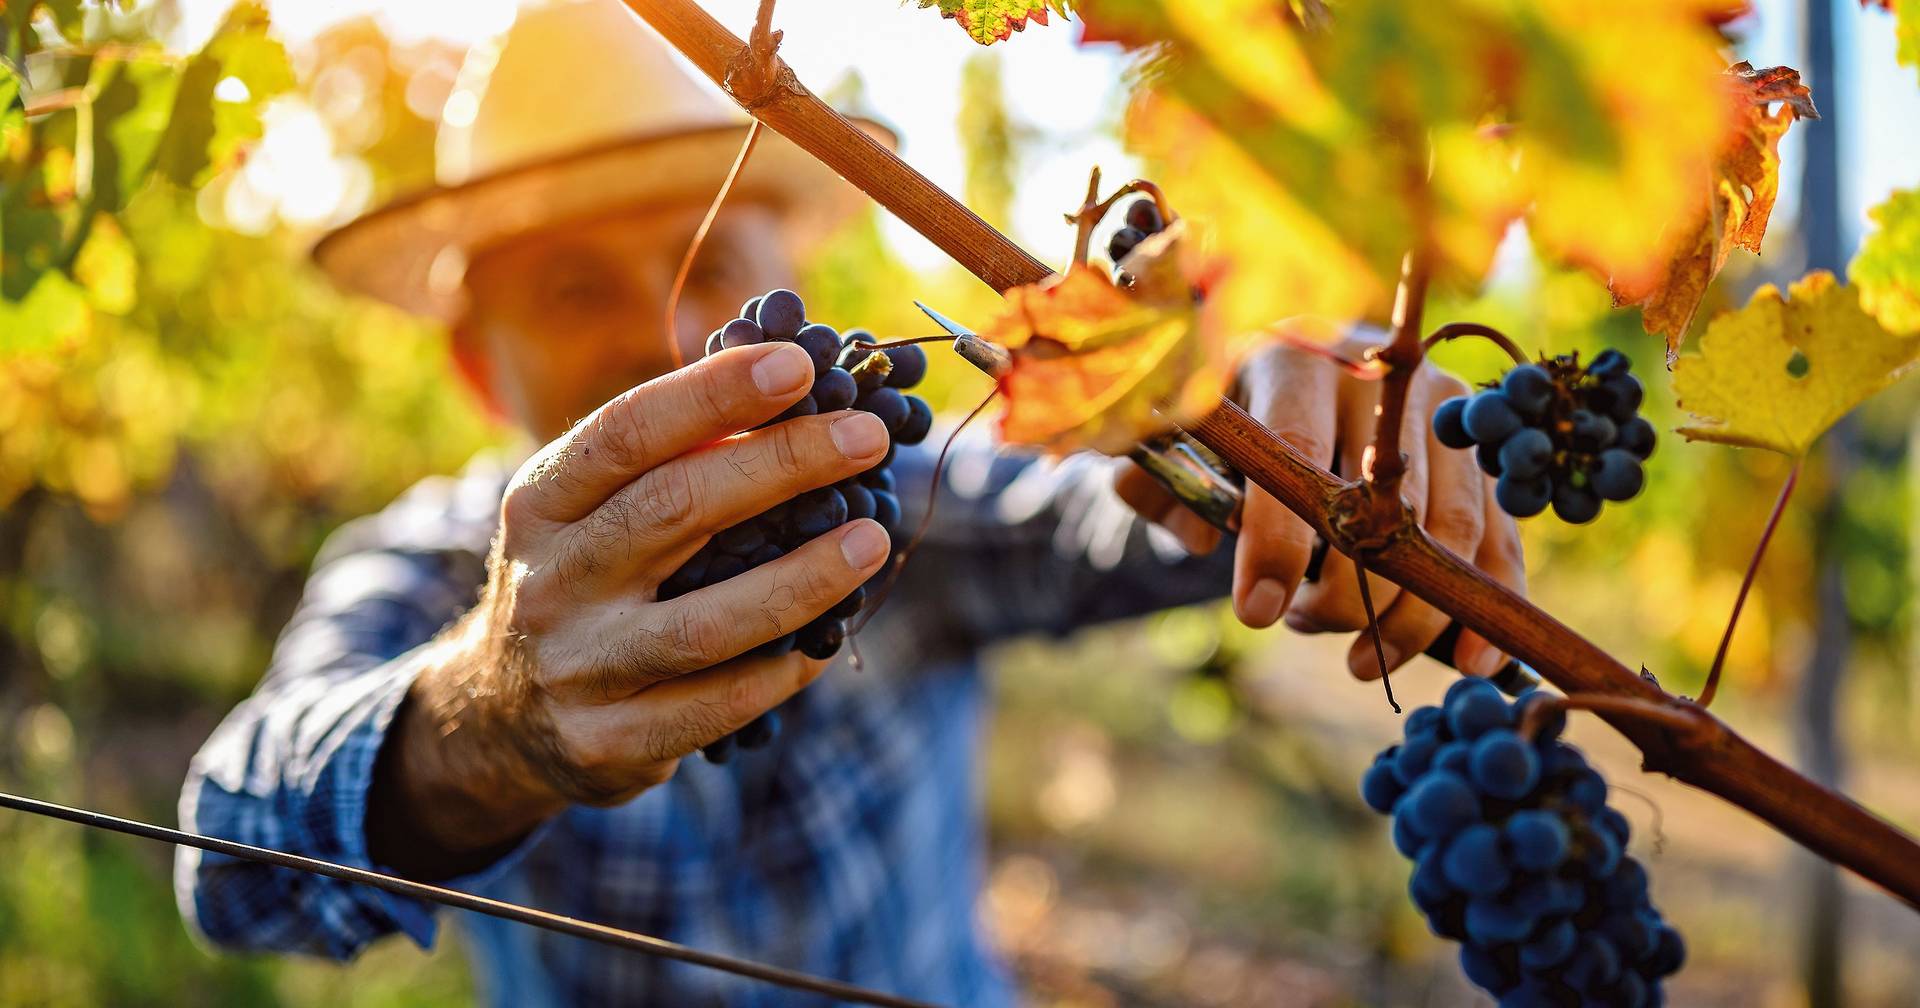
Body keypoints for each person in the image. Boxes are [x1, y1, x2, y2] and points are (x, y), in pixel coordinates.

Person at [174, 2, 1524, 1004]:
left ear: (791, 284)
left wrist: (1276, 422)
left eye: (712, 265)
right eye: (576, 287)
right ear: (480, 366)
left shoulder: (904, 509)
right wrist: (482, 723)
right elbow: (227, 862)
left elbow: (1108, 515)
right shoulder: (433, 574)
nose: (666, 329)